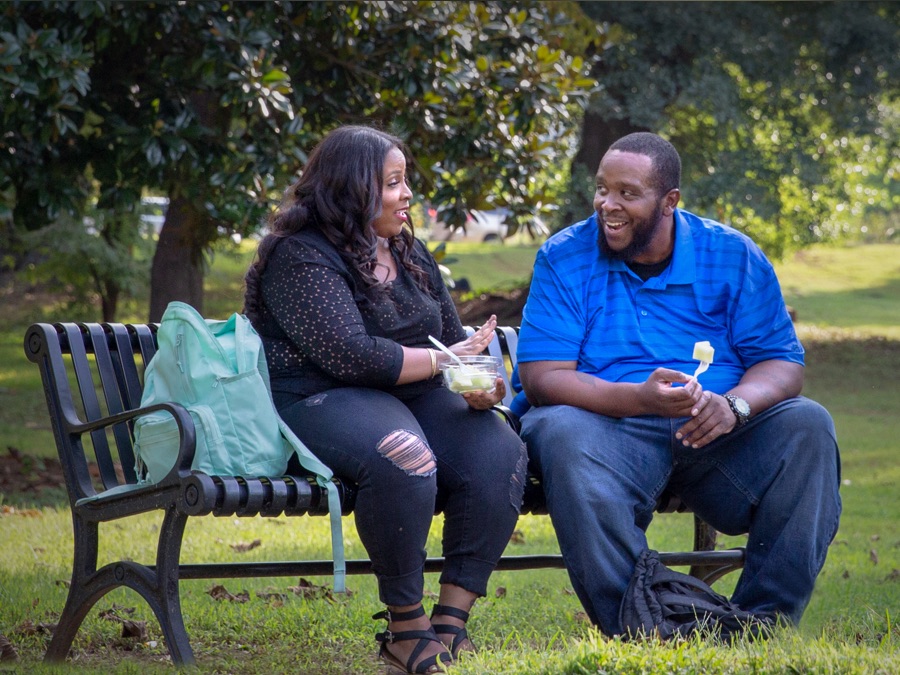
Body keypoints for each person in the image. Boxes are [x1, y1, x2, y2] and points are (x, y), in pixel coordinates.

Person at [516, 132, 842, 637]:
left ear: (669, 202)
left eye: (628, 193)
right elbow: (542, 380)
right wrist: (639, 399)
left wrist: (735, 405)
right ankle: (642, 624)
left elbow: (781, 363)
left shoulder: (733, 256)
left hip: (717, 438)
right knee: (558, 431)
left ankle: (761, 625)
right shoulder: (566, 256)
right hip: (607, 434)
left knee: (809, 424)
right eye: (602, 189)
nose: (608, 205)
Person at [243, 125, 527, 673]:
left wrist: (479, 383)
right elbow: (352, 356)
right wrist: (448, 359)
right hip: (324, 396)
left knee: (500, 449)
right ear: (351, 189)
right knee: (404, 455)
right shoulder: (298, 256)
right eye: (394, 183)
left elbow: (446, 334)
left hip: (415, 395)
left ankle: (449, 623)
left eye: (405, 181)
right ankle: (405, 629)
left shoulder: (406, 249)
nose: (408, 195)